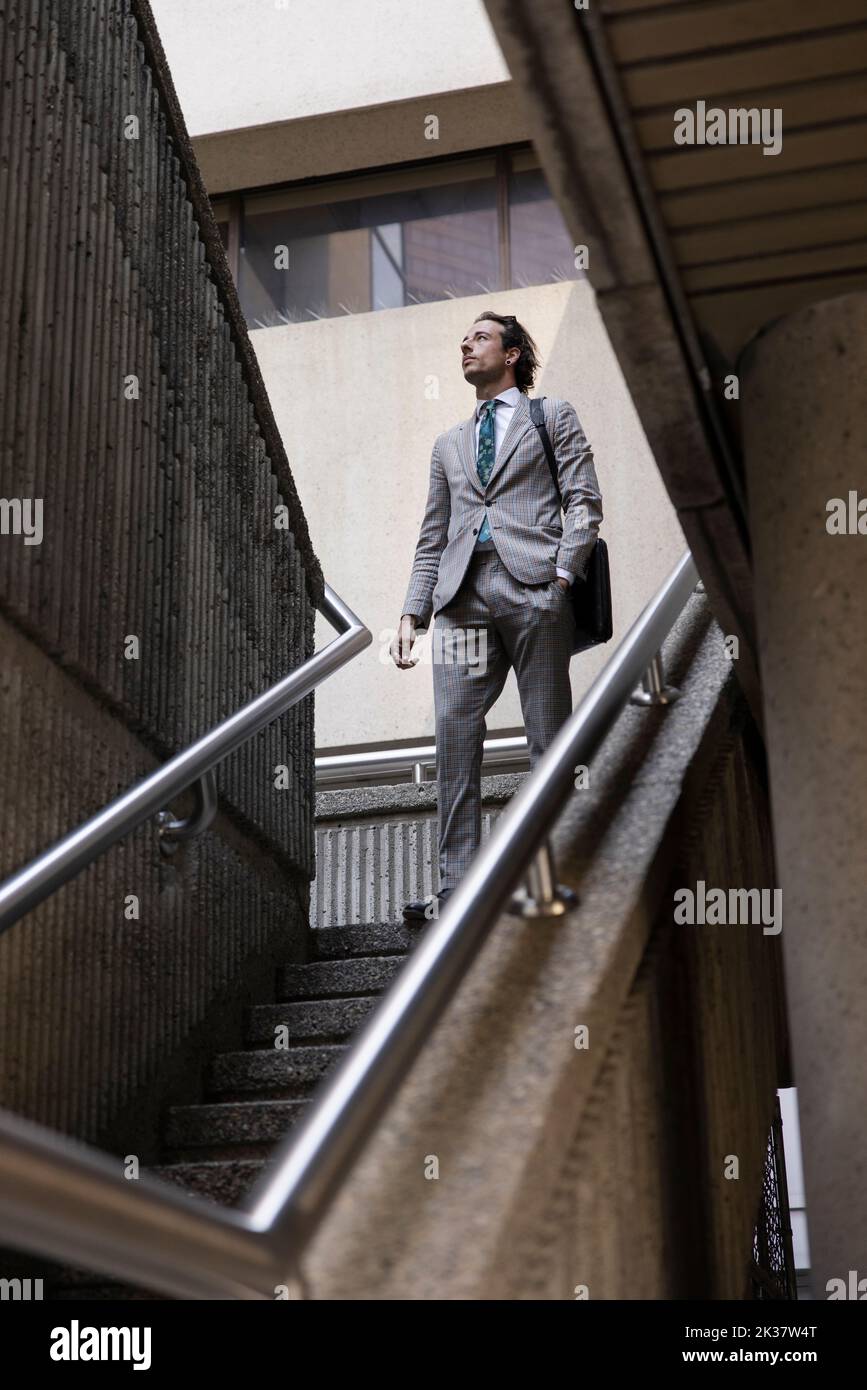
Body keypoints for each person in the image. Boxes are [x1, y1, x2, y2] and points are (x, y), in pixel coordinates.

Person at [390, 313, 603, 921]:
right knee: (454, 736)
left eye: (479, 337)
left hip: (535, 588)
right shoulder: (448, 444)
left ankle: (557, 864)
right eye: (463, 338)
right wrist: (413, 610)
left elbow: (583, 499)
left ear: (511, 355)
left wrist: (563, 575)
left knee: (548, 735)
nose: (465, 344)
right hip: (460, 599)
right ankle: (457, 887)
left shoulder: (550, 416)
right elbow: (433, 534)